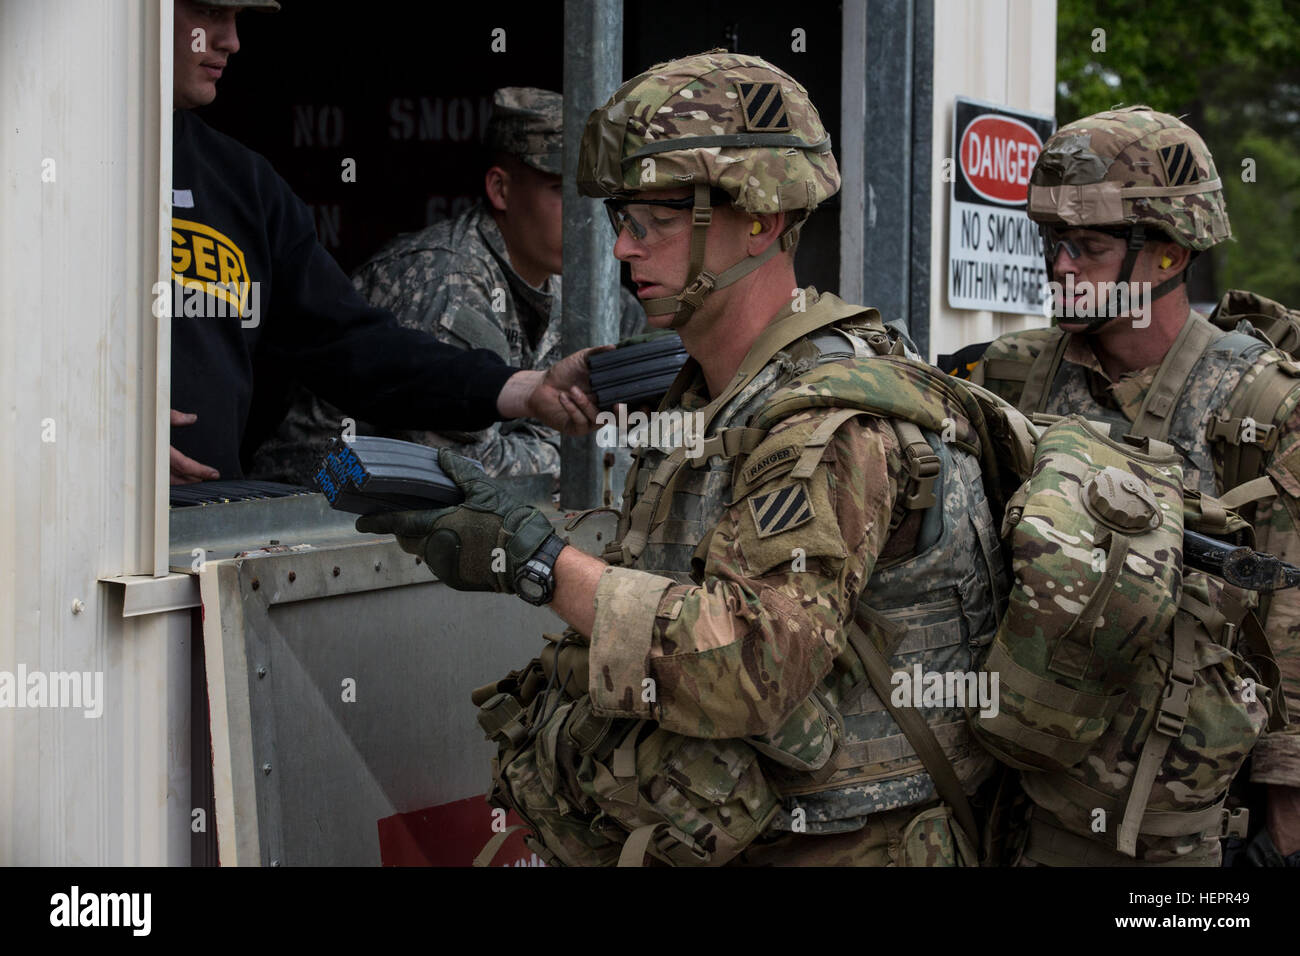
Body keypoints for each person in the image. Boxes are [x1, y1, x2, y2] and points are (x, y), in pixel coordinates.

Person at [359, 50, 1009, 866]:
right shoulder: (711, 394)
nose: (626, 250)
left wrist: (537, 562)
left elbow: (749, 661)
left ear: (763, 220)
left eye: (658, 221)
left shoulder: (831, 419)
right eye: (621, 219)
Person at [973, 106, 1299, 864]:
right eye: (1052, 243)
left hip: (1181, 813)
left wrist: (1285, 822)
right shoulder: (1015, 372)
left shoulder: (1262, 405)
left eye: (1086, 246)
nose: (1060, 266)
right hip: (1023, 788)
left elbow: (1289, 621)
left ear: (1169, 253)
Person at [167, 0, 598, 485]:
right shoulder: (66, 163)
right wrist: (95, 434)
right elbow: (468, 470)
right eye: (209, 13)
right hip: (85, 519)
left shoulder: (241, 182)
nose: (231, 40)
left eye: (236, 19)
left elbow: (351, 346)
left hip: (207, 527)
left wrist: (525, 388)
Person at [250, 87, 646, 484]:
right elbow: (465, 472)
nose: (585, 216)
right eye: (563, 192)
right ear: (500, 189)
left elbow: (646, 404)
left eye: (595, 195)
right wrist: (589, 450)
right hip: (312, 519)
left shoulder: (581, 284)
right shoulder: (447, 277)